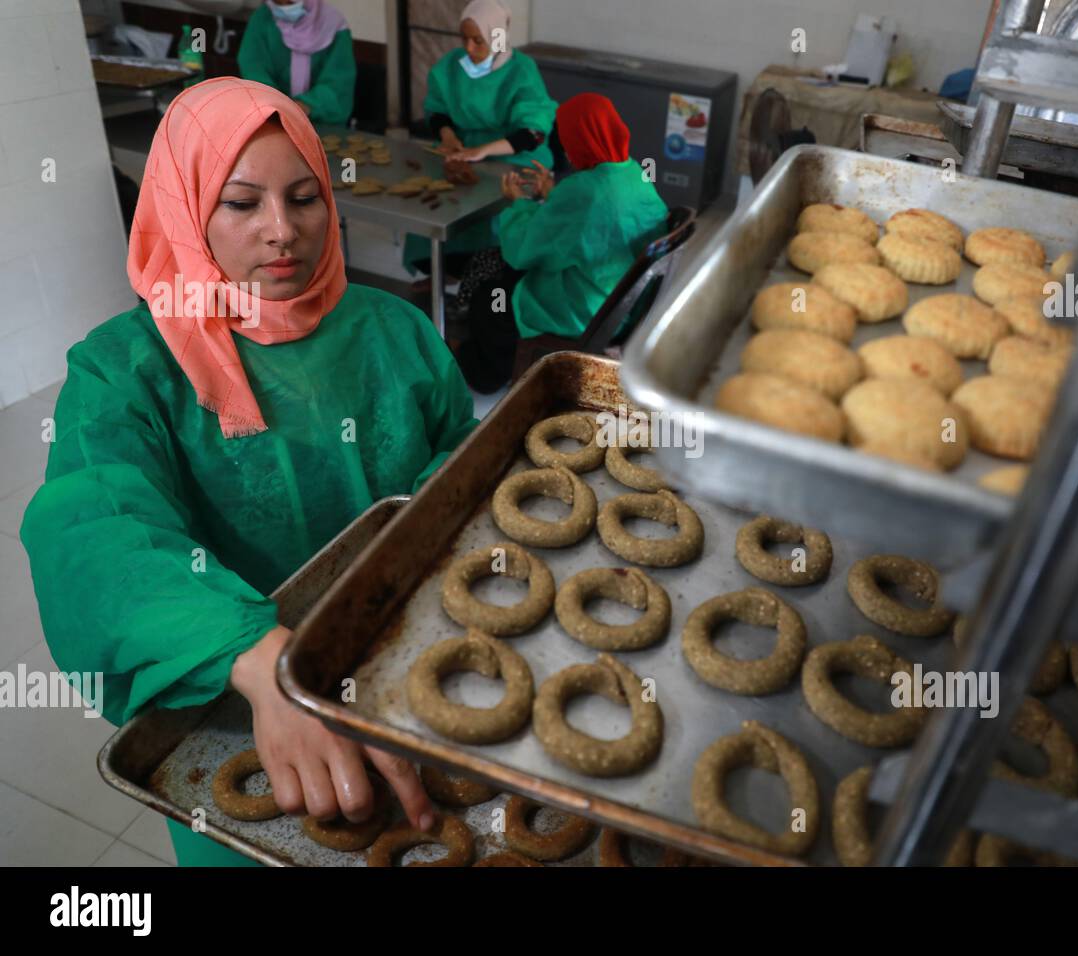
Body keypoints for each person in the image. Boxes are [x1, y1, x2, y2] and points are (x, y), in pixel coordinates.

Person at [20, 78, 476, 866]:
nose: (283, 232)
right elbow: (96, 540)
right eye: (241, 203)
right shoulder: (123, 375)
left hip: (411, 671)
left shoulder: (394, 332)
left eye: (305, 197)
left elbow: (460, 465)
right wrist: (262, 662)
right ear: (185, 204)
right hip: (233, 707)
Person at [453, 93, 669, 393]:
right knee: (506, 286)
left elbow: (523, 251)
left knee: (492, 298)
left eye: (567, 139)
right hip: (626, 305)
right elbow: (588, 228)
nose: (565, 149)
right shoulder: (633, 172)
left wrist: (518, 204)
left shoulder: (584, 190)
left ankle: (484, 376)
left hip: (585, 311)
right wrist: (554, 196)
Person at [403, 0, 557, 275]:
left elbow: (532, 133)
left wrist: (483, 151)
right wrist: (448, 136)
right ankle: (440, 270)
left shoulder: (521, 71)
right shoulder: (451, 65)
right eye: (464, 39)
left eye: (478, 40)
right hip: (462, 150)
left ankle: (485, 282)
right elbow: (437, 110)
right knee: (435, 203)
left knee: (494, 213)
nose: (469, 49)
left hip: (513, 155)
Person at [238, 0, 356, 126]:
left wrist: (307, 105)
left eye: (290, 2)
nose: (284, 7)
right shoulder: (262, 18)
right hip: (274, 118)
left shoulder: (334, 25)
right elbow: (253, 69)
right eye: (278, 2)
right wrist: (275, 104)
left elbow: (339, 81)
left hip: (322, 122)